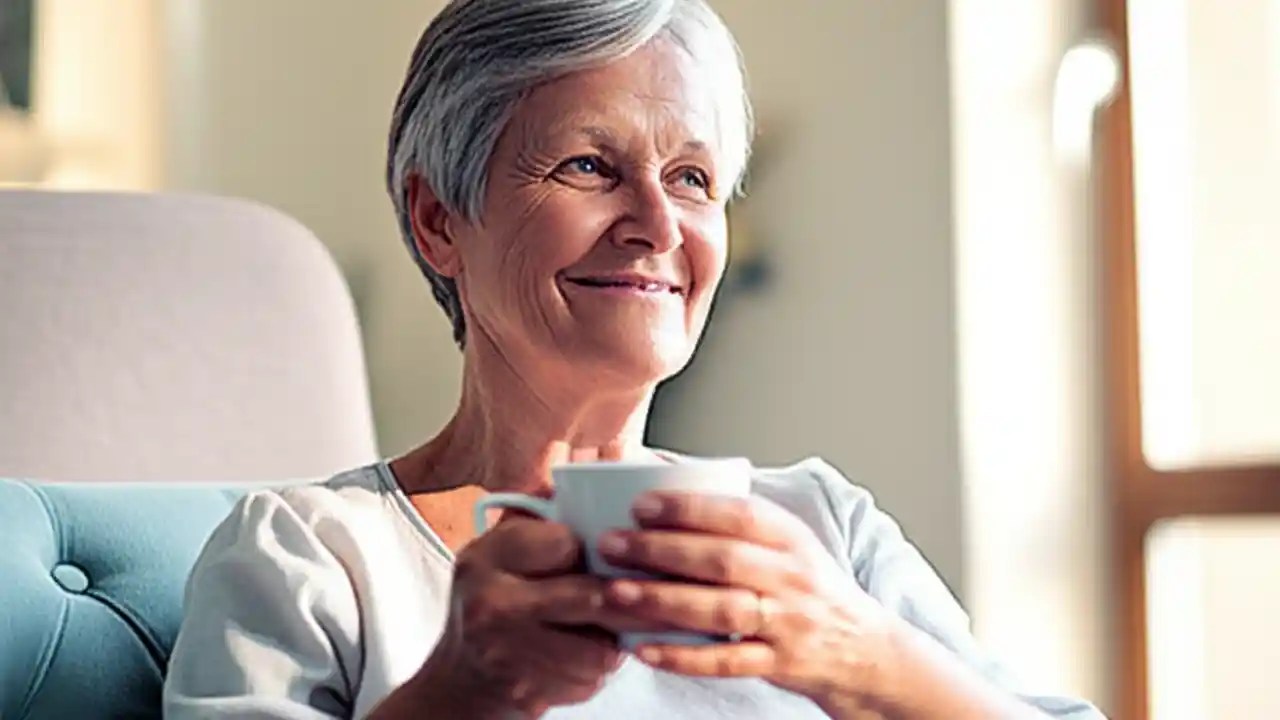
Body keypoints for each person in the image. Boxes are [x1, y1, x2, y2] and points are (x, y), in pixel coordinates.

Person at [163, 1, 1105, 718]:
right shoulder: (309, 556)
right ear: (437, 219)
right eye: (588, 166)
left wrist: (861, 655)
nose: (659, 226)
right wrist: (462, 689)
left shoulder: (823, 530)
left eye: (691, 179)